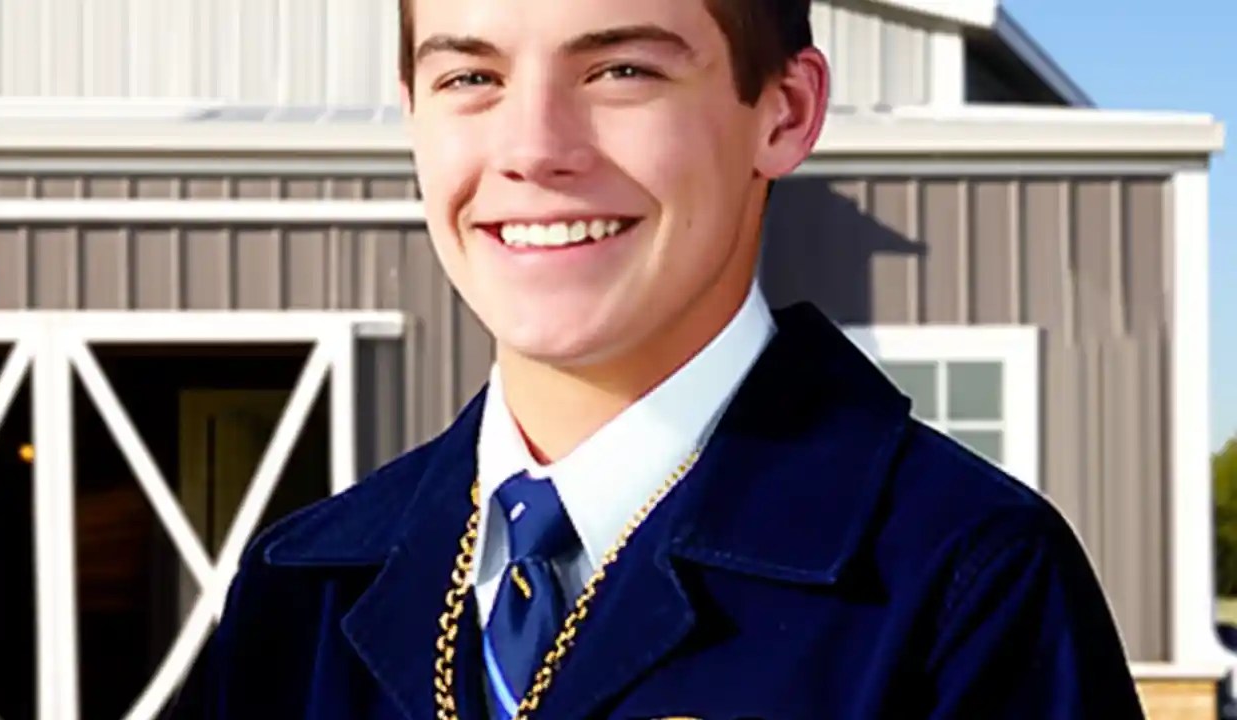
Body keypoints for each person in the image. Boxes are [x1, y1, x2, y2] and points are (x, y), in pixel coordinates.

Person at [173, 0, 1146, 717]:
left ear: (784, 111)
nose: (532, 149)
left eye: (621, 71)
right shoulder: (301, 593)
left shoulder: (965, 584)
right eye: (470, 78)